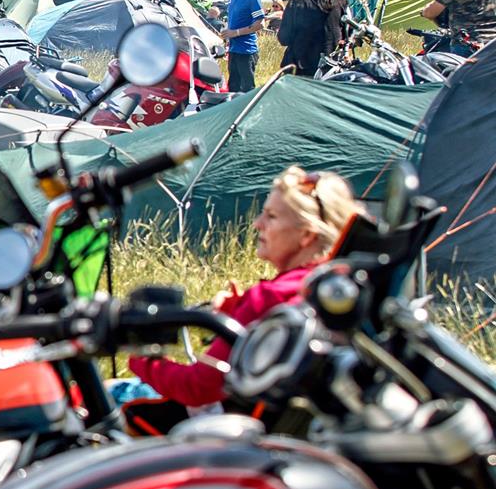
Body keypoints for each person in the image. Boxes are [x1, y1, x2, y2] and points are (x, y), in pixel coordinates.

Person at [128, 166, 361, 408]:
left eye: (271, 216)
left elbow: (196, 387)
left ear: (306, 235)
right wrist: (237, 311)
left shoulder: (270, 297)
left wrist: (140, 357)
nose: (257, 224)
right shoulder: (336, 287)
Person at [277, 0, 347, 76]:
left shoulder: (297, 1)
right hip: (332, 65)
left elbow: (284, 37)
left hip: (301, 65)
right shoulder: (338, 0)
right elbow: (346, 32)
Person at [223, 0, 263, 92]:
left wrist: (236, 32)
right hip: (234, 48)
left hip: (246, 50)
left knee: (247, 88)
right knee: (233, 86)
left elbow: (260, 24)